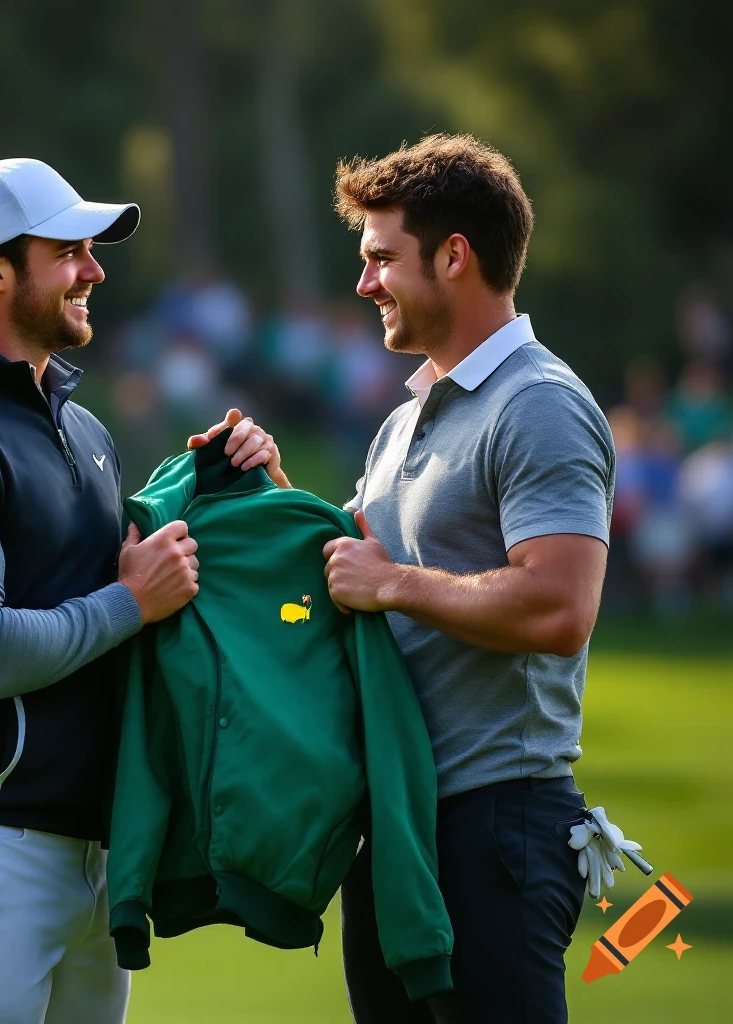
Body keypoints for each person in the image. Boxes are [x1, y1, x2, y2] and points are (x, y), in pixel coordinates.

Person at [0, 157, 281, 1024]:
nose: (95, 270)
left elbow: (138, 580)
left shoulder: (77, 426)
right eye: (70, 251)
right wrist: (130, 604)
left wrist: (240, 481)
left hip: (84, 855)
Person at [322, 135, 616, 1022]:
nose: (366, 282)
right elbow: (348, 573)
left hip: (497, 824)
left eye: (382, 259)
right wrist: (258, 482)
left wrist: (398, 585)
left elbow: (562, 606)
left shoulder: (540, 403)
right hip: (404, 828)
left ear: (456, 257)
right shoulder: (405, 419)